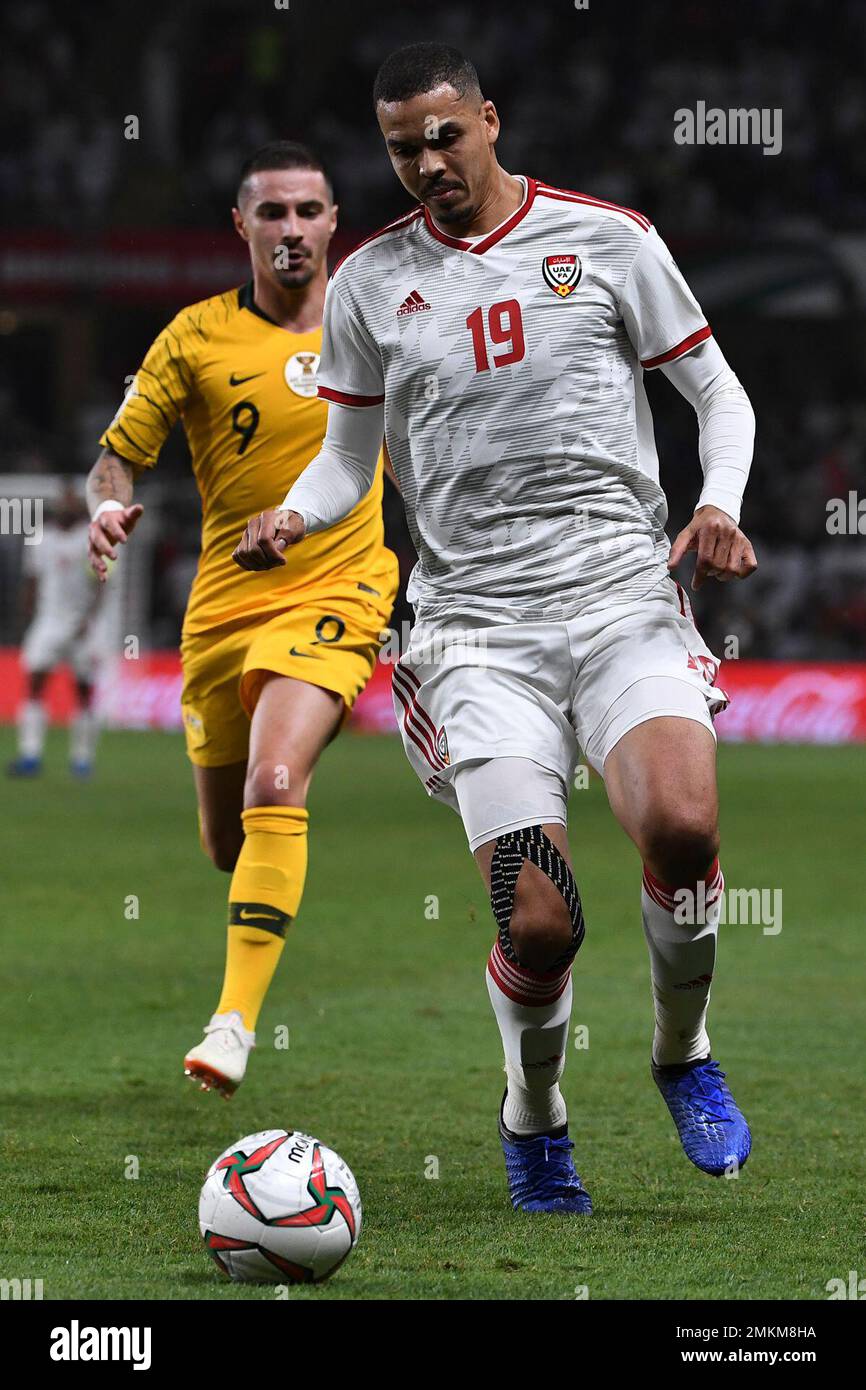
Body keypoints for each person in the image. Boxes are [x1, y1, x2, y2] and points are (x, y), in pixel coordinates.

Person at [233, 46, 757, 1213]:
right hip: (473, 629)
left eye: (442, 136)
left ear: (487, 120)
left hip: (619, 594)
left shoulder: (606, 239)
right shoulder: (370, 281)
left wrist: (716, 502)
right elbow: (345, 460)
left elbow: (715, 392)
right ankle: (535, 1115)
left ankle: (681, 1052)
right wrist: (292, 513)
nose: (425, 163)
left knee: (679, 825)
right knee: (539, 918)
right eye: (400, 147)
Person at [86, 141, 398, 1098]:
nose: (293, 230)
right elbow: (116, 454)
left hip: (339, 589)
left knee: (276, 777)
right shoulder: (193, 337)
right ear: (241, 226)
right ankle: (266, 861)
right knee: (229, 842)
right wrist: (107, 505)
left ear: (335, 221)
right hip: (224, 610)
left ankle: (233, 1024)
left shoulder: (380, 322)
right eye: (273, 213)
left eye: (309, 211)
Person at [9, 486, 105, 779]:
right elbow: (32, 580)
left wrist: (90, 618)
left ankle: (82, 760)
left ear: (78, 507)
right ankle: (30, 755)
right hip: (48, 621)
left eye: (71, 503)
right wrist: (28, 617)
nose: (66, 507)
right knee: (35, 683)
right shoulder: (41, 538)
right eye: (63, 503)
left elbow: (101, 583)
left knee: (84, 691)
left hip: (80, 625)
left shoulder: (91, 539)